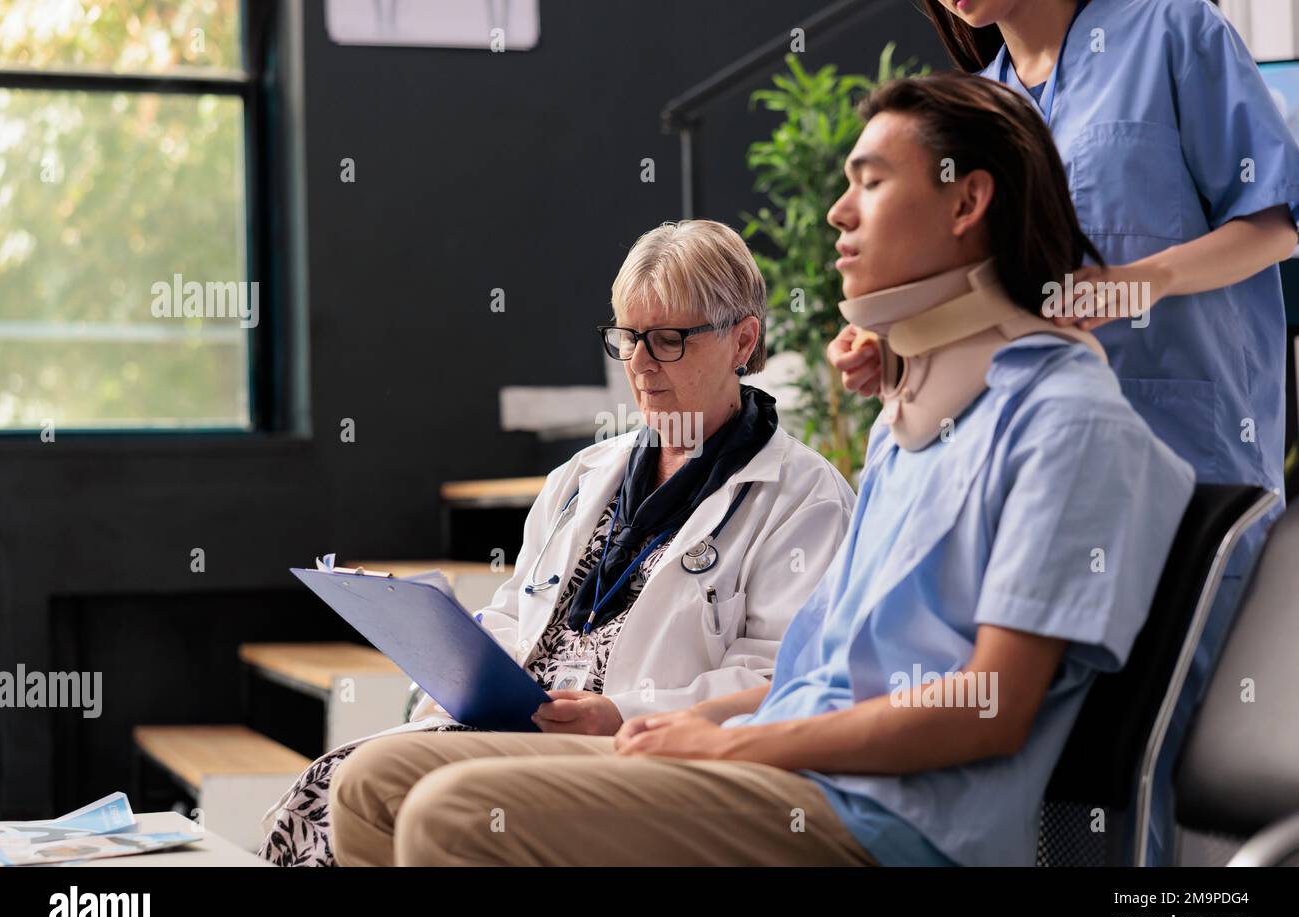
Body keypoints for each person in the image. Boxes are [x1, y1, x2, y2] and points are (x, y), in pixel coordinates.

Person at [325, 74, 1195, 867]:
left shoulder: (1066, 423)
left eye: (871, 181)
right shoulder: (915, 422)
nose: (838, 214)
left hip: (892, 819)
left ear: (967, 199)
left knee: (452, 815)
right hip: (790, 761)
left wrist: (729, 743)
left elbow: (989, 708)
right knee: (374, 784)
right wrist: (675, 723)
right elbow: (817, 676)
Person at [821, 0, 1299, 864]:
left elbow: (1277, 218)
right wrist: (894, 350)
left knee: (1145, 762)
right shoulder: (982, 106)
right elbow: (985, 302)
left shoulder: (1173, 33)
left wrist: (1139, 282)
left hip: (1189, 459)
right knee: (1043, 770)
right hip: (1028, 490)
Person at [257, 219, 856, 865]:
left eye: (670, 340)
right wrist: (459, 663)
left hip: (632, 748)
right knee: (339, 780)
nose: (641, 364)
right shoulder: (583, 475)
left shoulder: (802, 497)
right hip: (519, 722)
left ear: (744, 339)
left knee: (376, 784)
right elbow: (517, 612)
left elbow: (783, 682)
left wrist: (618, 713)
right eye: (627, 338)